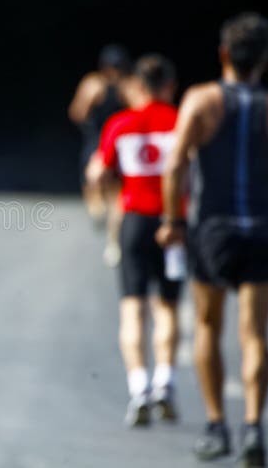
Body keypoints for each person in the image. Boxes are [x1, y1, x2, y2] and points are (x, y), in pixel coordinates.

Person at [156, 13, 268, 466]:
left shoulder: (202, 101)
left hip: (214, 230)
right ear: (264, 60)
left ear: (224, 54)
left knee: (208, 326)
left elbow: (175, 165)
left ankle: (216, 425)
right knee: (256, 335)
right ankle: (253, 427)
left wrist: (173, 220)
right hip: (262, 229)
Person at [86, 54, 183, 427]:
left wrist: (114, 190)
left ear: (138, 87)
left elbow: (96, 173)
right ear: (170, 87)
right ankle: (166, 383)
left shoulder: (121, 124)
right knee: (168, 307)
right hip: (173, 224)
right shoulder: (180, 122)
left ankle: (139, 386)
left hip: (134, 221)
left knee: (132, 307)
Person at [69, 44, 132, 266]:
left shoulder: (118, 86)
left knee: (109, 190)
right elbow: (78, 113)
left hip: (108, 142)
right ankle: (105, 225)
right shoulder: (104, 84)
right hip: (106, 141)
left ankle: (109, 232)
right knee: (104, 188)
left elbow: (77, 113)